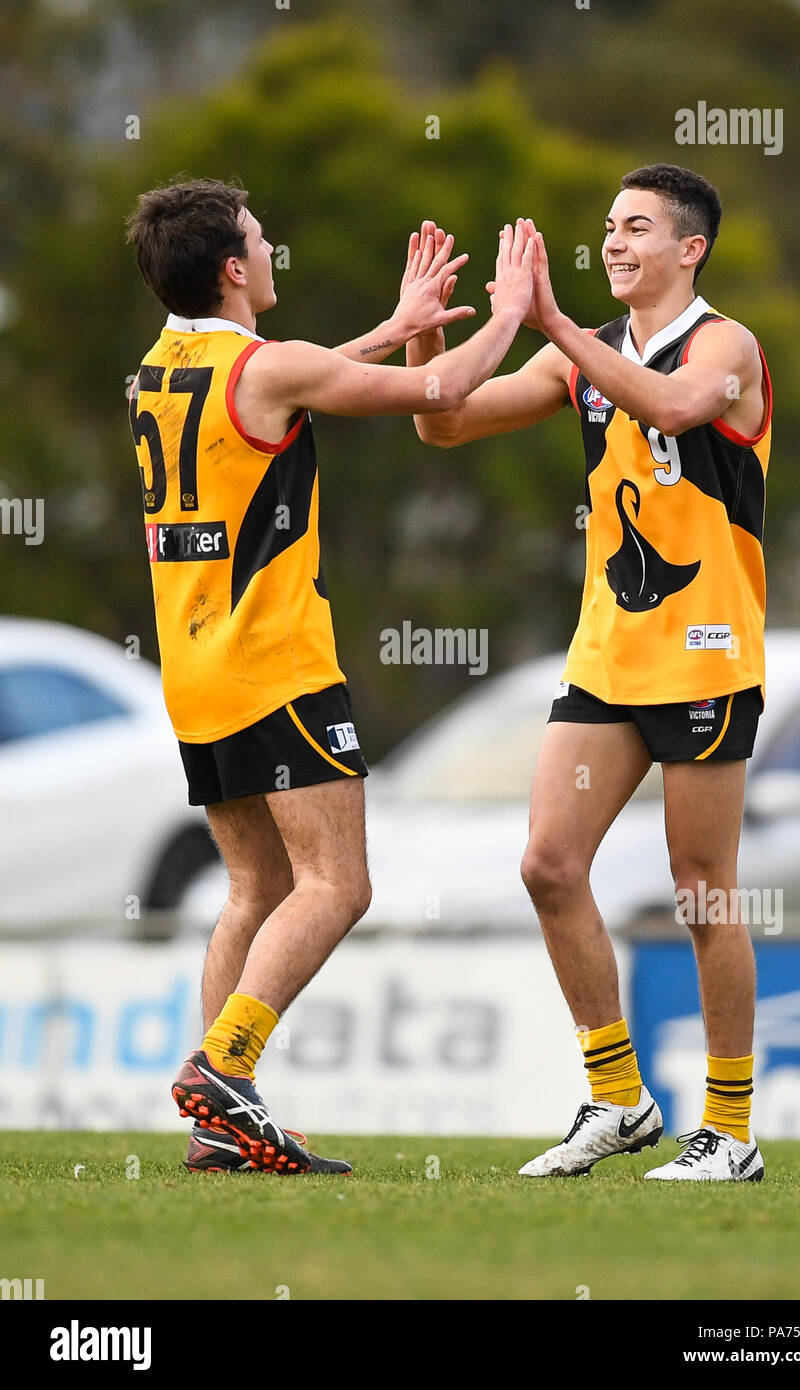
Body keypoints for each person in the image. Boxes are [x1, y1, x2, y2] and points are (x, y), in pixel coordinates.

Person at [125, 178, 534, 1174]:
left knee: (253, 886)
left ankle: (213, 1123)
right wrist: (516, 314)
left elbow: (294, 381)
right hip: (278, 668)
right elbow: (440, 395)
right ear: (232, 267)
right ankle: (225, 1066)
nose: (271, 252)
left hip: (196, 673)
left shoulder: (157, 367)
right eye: (260, 240)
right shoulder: (269, 367)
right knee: (337, 884)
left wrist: (395, 325)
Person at [410, 165, 771, 1182]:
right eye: (608, 226)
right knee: (546, 864)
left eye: (638, 228)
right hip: (608, 658)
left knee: (701, 892)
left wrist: (555, 325)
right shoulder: (588, 356)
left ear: (689, 248)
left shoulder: (723, 344)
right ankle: (618, 1100)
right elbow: (443, 423)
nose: (613, 242)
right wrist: (430, 326)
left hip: (704, 651)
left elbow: (676, 402)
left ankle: (730, 1129)